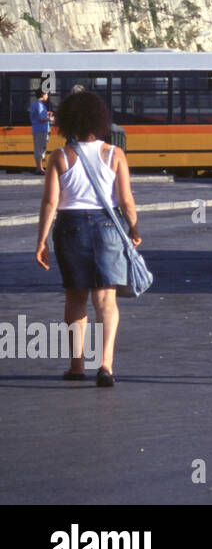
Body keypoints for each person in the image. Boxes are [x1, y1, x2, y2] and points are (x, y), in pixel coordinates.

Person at [34, 91, 139, 388]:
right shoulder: (114, 154)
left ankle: (77, 365)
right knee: (106, 299)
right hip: (107, 226)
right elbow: (126, 200)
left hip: (70, 227)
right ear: (100, 119)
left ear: (68, 121)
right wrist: (134, 228)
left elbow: (49, 203)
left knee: (75, 297)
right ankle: (106, 364)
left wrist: (41, 241)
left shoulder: (59, 156)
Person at [29, 89, 53, 174]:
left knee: (41, 148)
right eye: (46, 94)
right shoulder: (38, 105)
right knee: (39, 149)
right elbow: (40, 118)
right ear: (42, 95)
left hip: (41, 130)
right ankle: (39, 169)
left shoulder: (38, 105)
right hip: (40, 130)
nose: (47, 96)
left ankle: (40, 168)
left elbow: (39, 115)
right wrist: (49, 118)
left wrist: (47, 113)